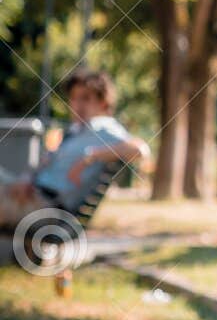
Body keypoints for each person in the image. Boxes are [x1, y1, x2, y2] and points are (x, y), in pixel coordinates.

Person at [0, 69, 148, 230]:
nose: (77, 104)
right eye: (74, 98)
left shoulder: (104, 128)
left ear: (103, 103)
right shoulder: (75, 131)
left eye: (86, 98)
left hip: (49, 209)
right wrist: (27, 179)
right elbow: (44, 163)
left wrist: (90, 156)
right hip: (30, 195)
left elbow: (141, 149)